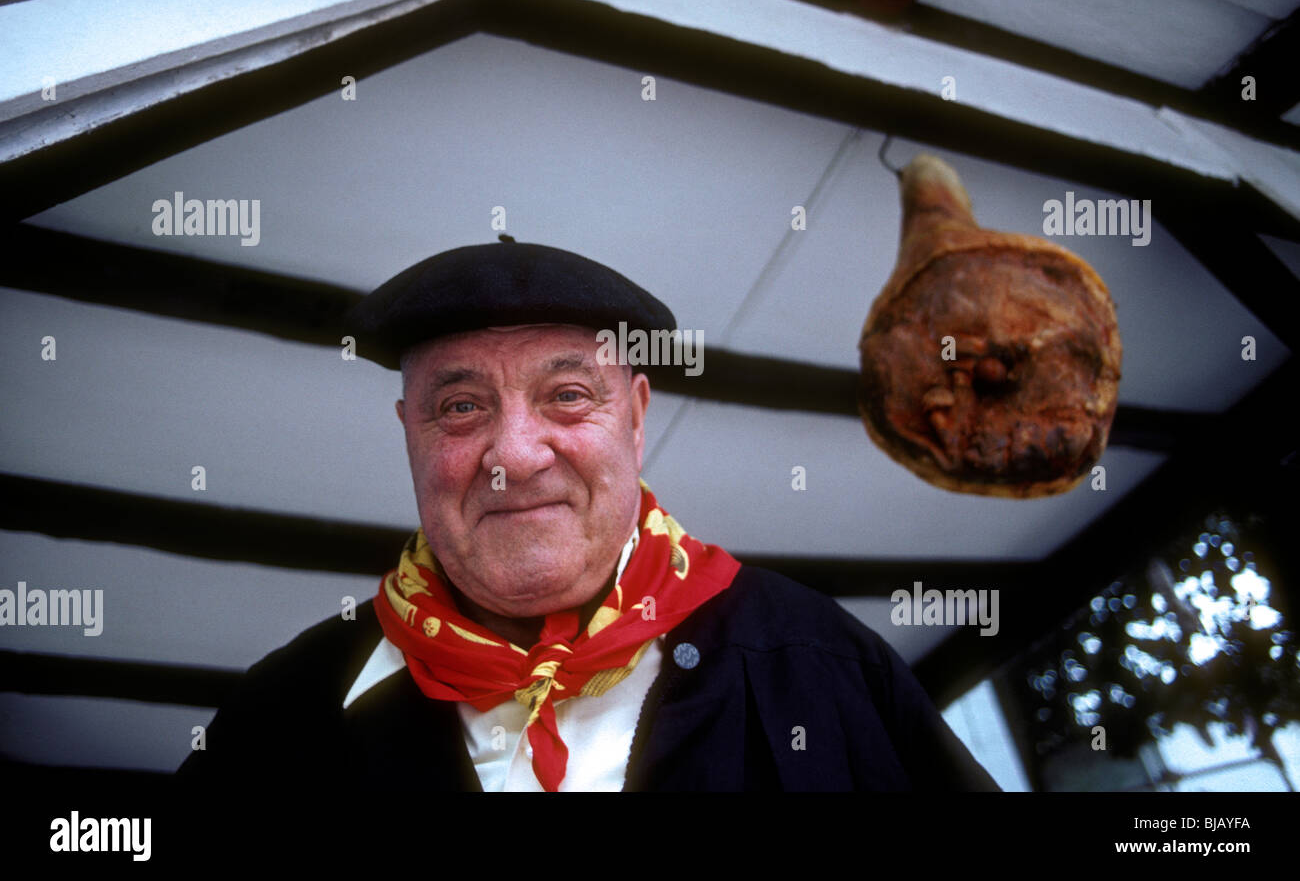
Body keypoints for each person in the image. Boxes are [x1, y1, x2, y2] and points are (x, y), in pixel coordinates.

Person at [177, 235, 998, 791]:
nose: (517, 454)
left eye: (568, 396)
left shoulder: (821, 668)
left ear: (636, 418)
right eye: (460, 407)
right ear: (409, 436)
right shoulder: (280, 716)